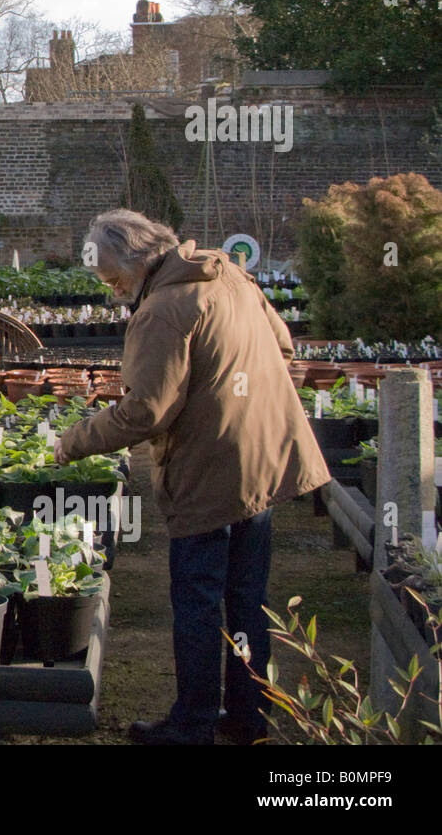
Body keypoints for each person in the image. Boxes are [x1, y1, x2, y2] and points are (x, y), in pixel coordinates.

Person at [53, 209, 329, 746]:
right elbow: (283, 345)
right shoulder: (228, 273)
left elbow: (145, 413)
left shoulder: (164, 309)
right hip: (264, 461)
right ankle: (250, 720)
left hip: (211, 474)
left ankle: (194, 723)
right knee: (248, 599)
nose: (114, 294)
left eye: (114, 281)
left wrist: (73, 440)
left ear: (139, 260)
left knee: (198, 603)